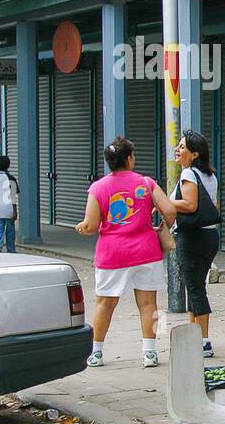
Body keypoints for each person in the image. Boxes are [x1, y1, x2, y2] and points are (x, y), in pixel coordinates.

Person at [75, 137, 179, 369]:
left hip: (112, 253)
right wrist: (162, 226)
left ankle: (96, 353)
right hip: (146, 251)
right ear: (129, 158)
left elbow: (91, 225)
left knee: (104, 303)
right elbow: (170, 210)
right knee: (148, 303)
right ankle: (150, 353)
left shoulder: (98, 188)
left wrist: (83, 228)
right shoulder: (146, 183)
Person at [170, 130, 221, 358]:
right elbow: (215, 207)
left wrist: (166, 202)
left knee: (196, 288)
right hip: (209, 236)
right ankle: (194, 336)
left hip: (192, 237)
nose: (177, 150)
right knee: (195, 286)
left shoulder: (189, 175)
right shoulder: (210, 176)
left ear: (194, 154)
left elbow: (190, 205)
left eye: (182, 147)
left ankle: (204, 341)